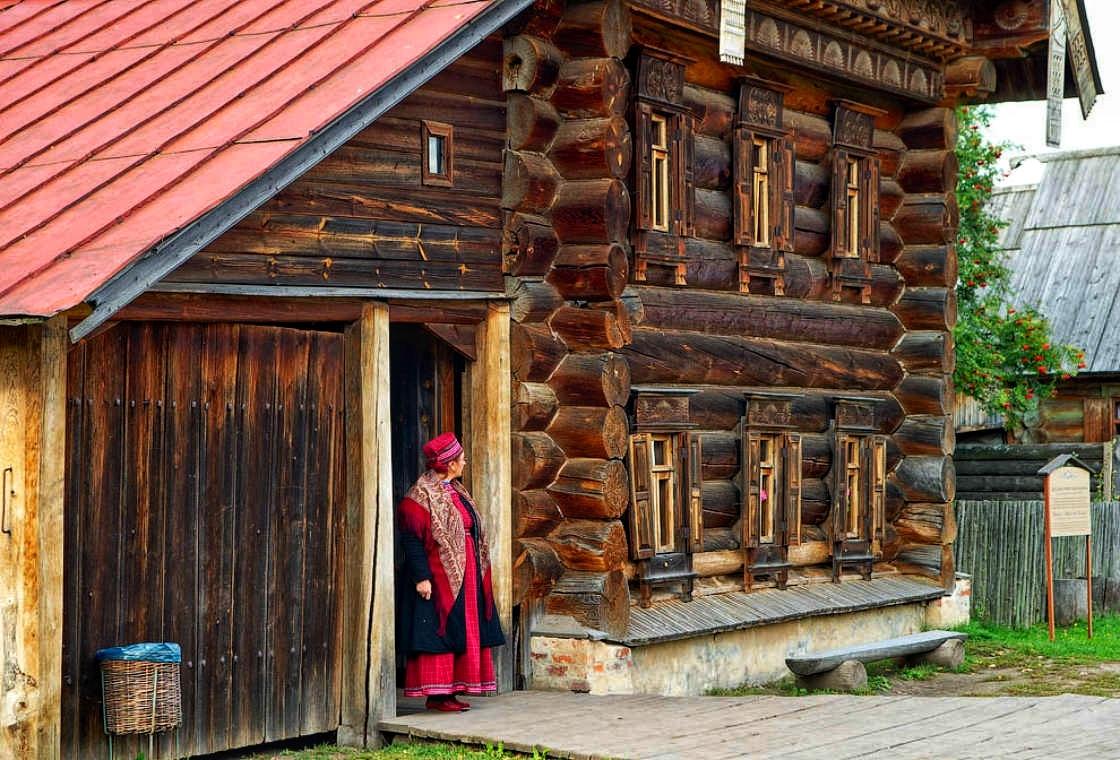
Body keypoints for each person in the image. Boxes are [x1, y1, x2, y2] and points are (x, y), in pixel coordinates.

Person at [397, 432, 504, 712]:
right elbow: (410, 538)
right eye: (461, 458)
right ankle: (437, 694)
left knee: (463, 628)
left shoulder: (457, 490)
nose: (465, 462)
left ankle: (454, 690)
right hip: (438, 576)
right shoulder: (421, 495)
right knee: (439, 630)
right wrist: (421, 577)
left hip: (465, 574)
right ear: (450, 464)